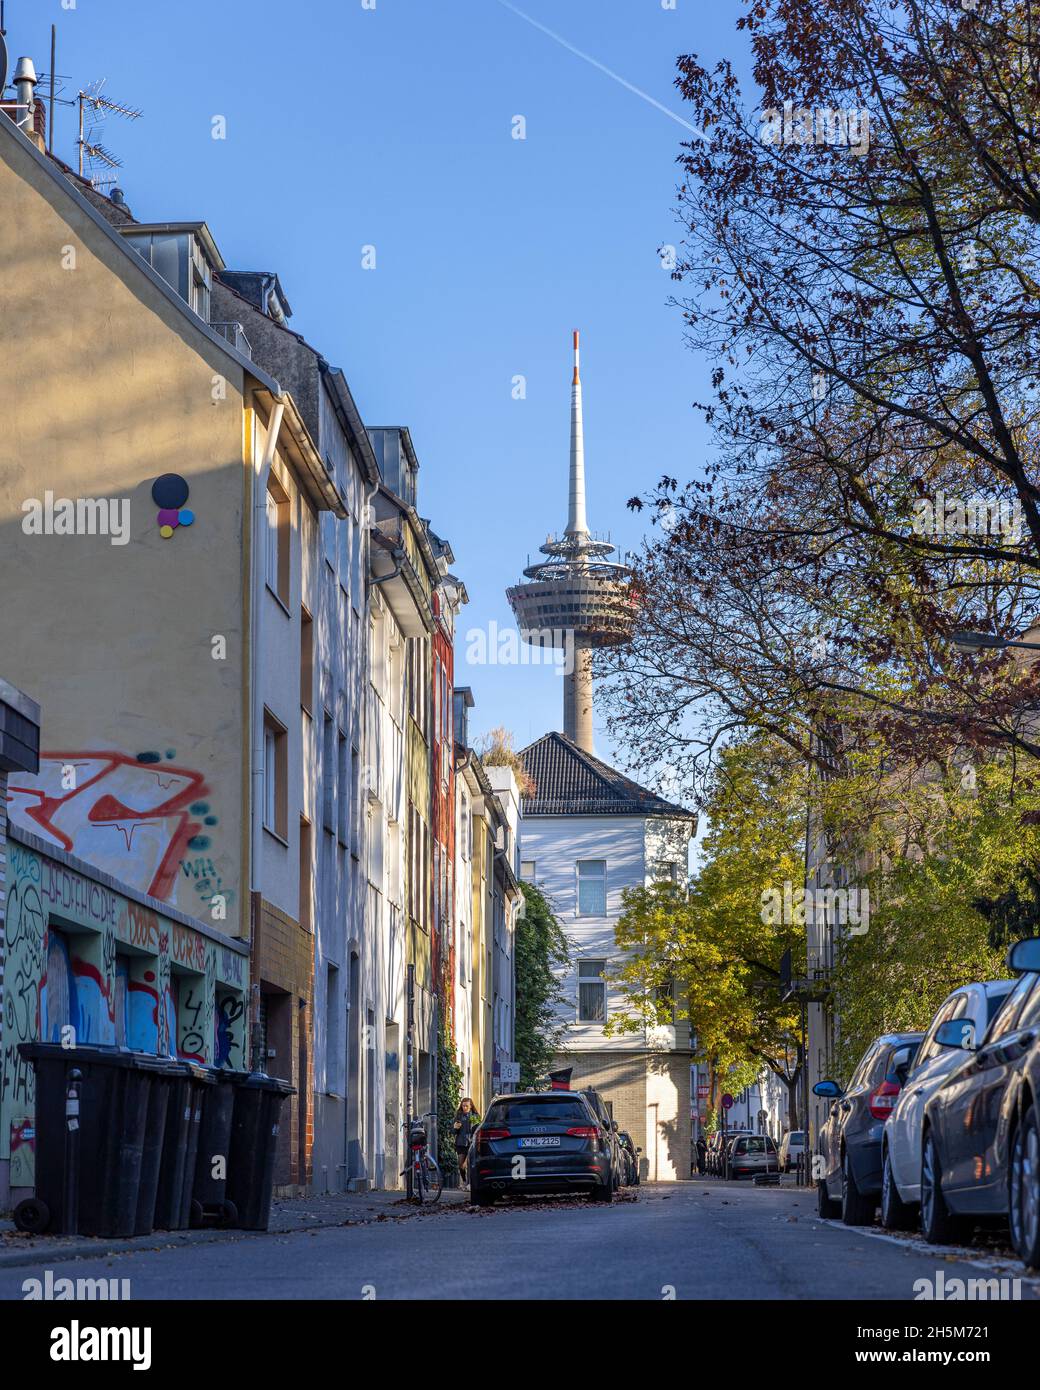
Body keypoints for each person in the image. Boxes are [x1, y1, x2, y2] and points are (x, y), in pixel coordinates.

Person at [453, 1097, 480, 1181]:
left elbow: (479, 1129)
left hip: (471, 1143)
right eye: (463, 1106)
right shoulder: (459, 1115)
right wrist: (455, 1128)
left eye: (466, 1106)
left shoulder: (475, 1116)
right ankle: (464, 1180)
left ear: (471, 1106)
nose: (464, 1108)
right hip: (461, 1143)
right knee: (461, 1165)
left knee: (469, 1164)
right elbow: (453, 1131)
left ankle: (469, 1183)